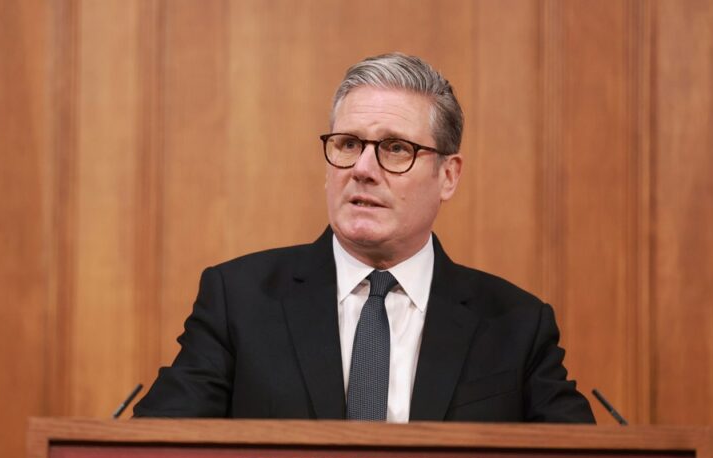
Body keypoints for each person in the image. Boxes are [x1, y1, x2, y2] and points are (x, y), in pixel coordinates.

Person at [133, 53, 594, 423]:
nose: (362, 169)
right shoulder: (240, 300)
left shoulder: (516, 325)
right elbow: (155, 453)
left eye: (396, 148)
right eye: (348, 144)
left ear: (448, 176)